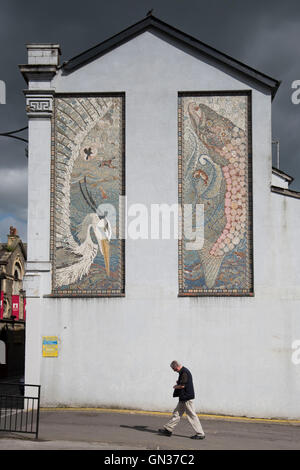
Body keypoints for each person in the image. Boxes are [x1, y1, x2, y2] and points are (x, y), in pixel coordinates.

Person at [158, 360, 205, 440]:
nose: (174, 371)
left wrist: (175, 386)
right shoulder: (182, 372)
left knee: (191, 415)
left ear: (177, 366)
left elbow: (183, 386)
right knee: (177, 413)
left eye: (175, 369)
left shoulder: (184, 372)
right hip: (183, 397)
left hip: (186, 397)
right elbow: (184, 382)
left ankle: (200, 434)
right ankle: (168, 429)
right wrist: (179, 382)